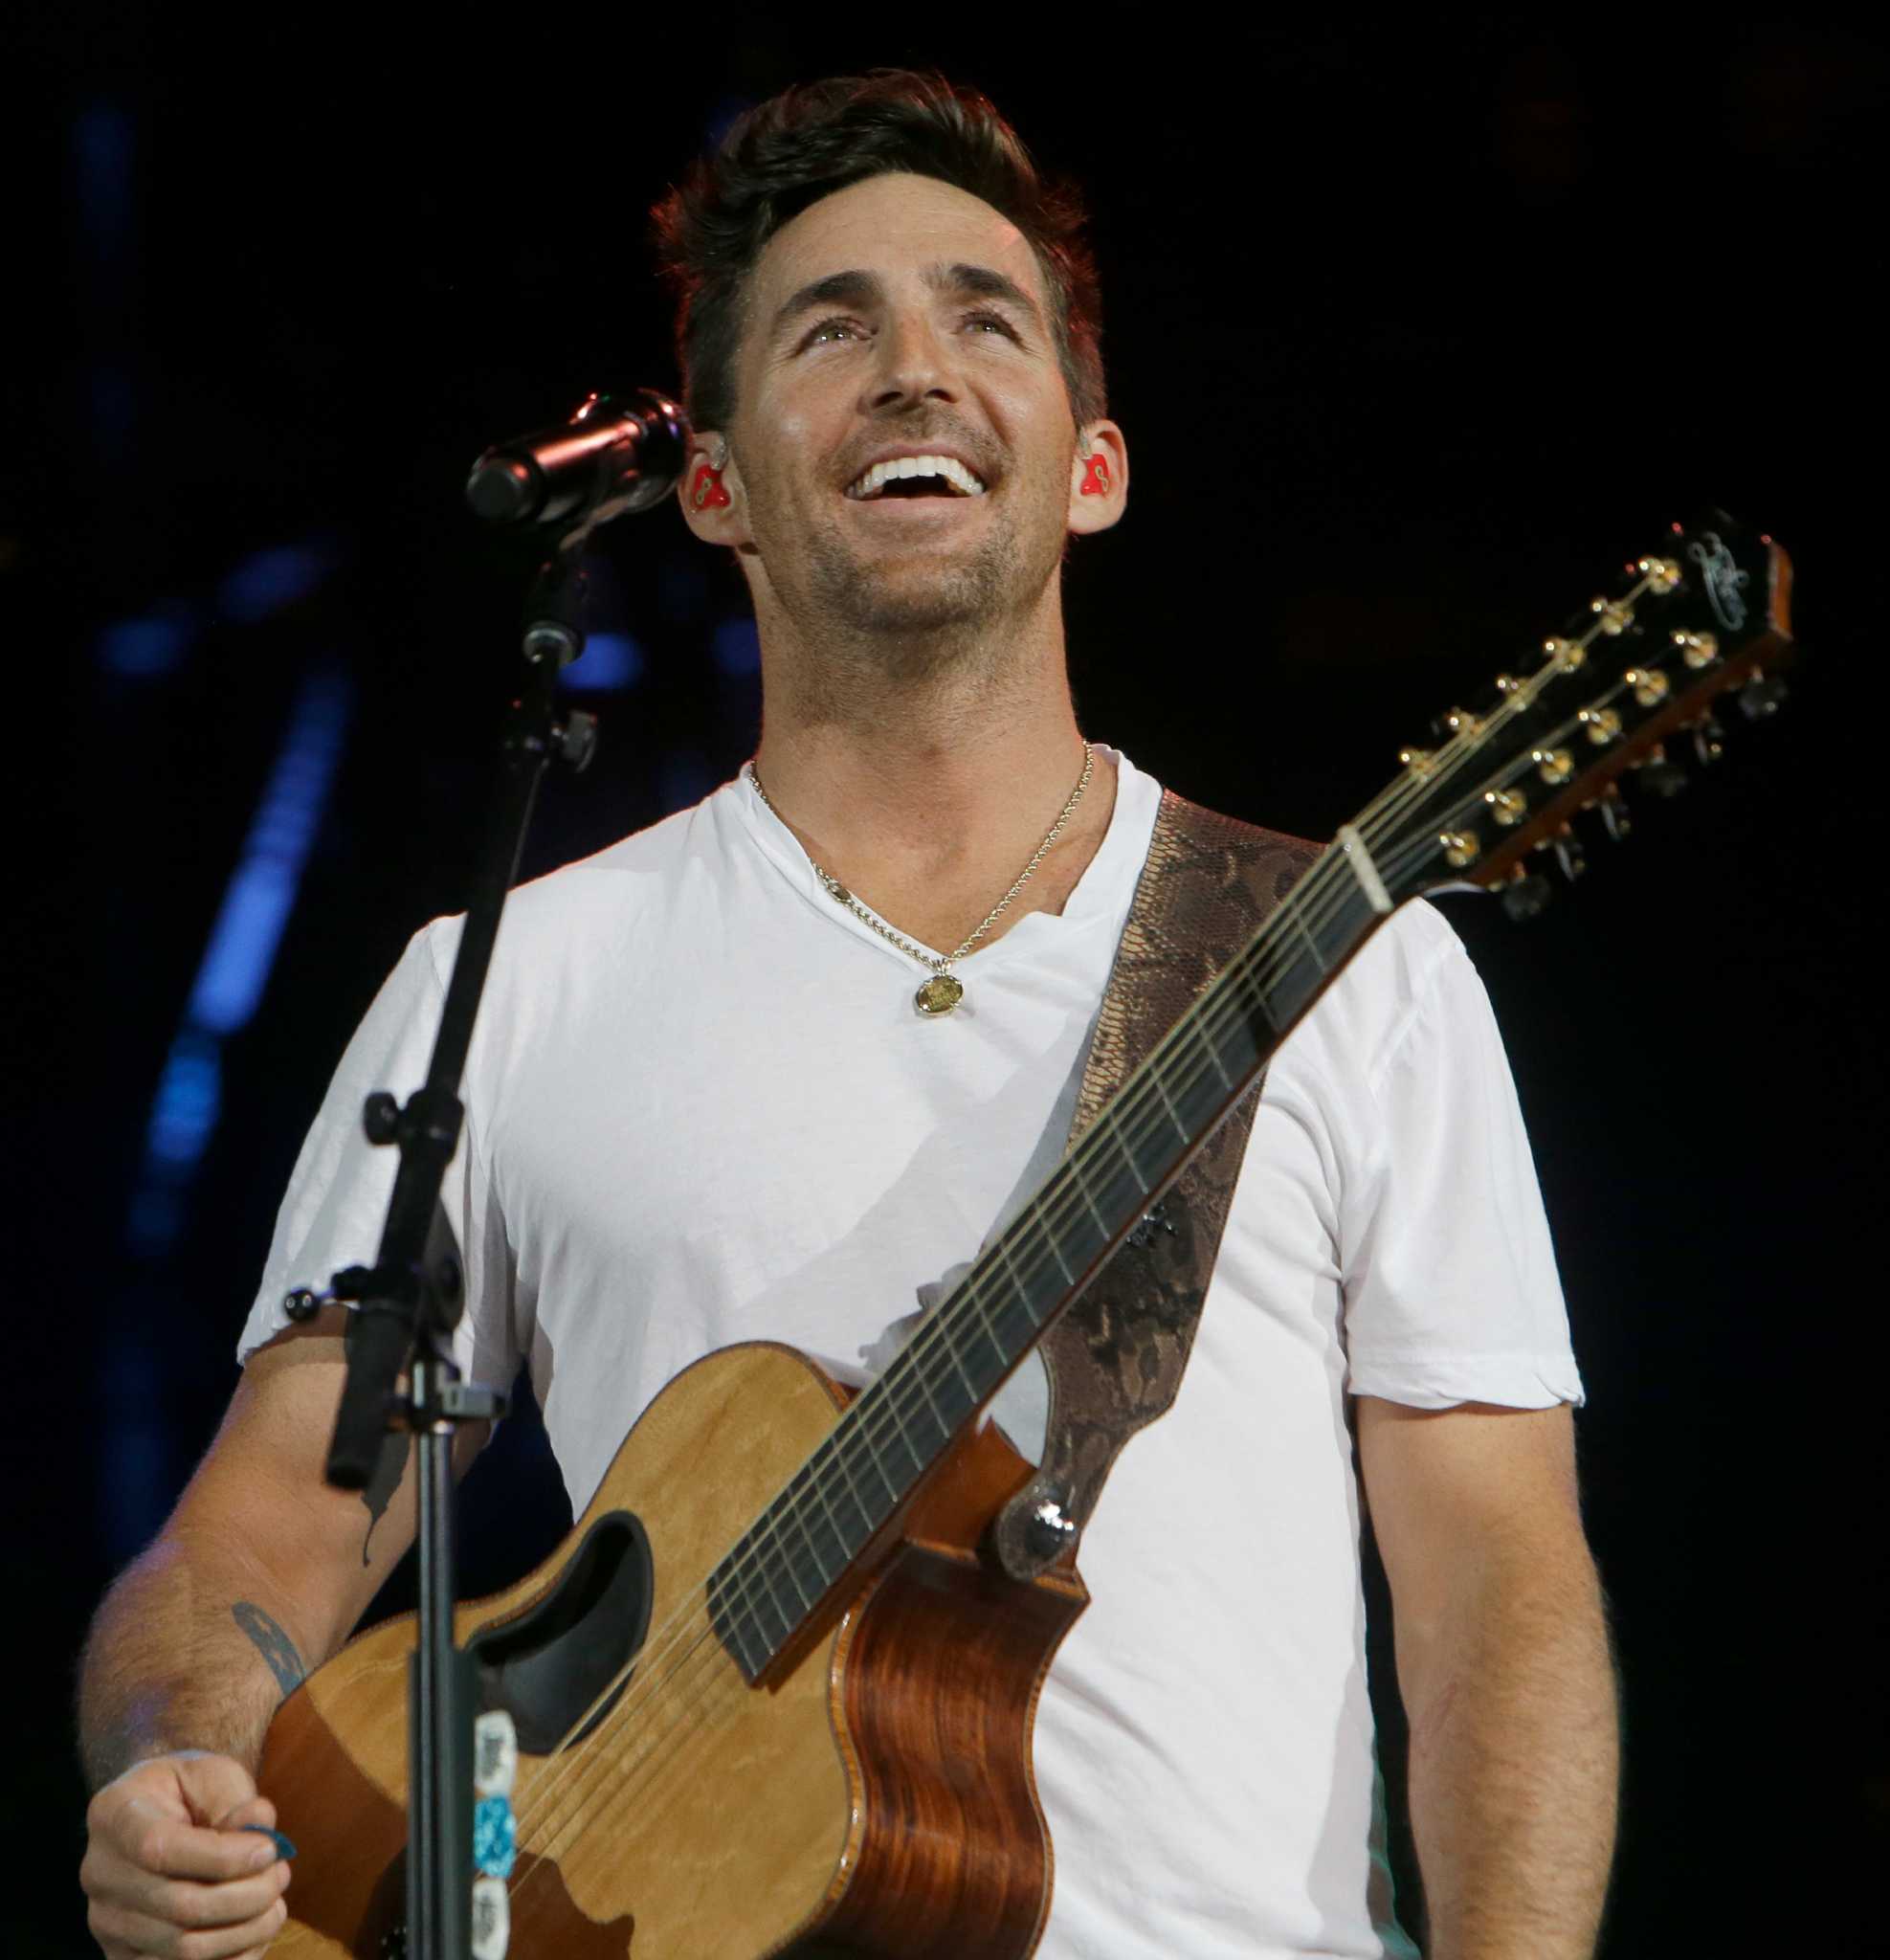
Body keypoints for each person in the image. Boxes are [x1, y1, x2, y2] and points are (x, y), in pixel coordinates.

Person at [78, 70, 1617, 1960]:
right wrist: (182, 1765)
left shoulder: (1341, 959)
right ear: (711, 481)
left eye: (984, 319)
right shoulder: (512, 974)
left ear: (1093, 460)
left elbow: (1495, 1579)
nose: (917, 369)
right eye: (833, 328)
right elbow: (261, 1539)